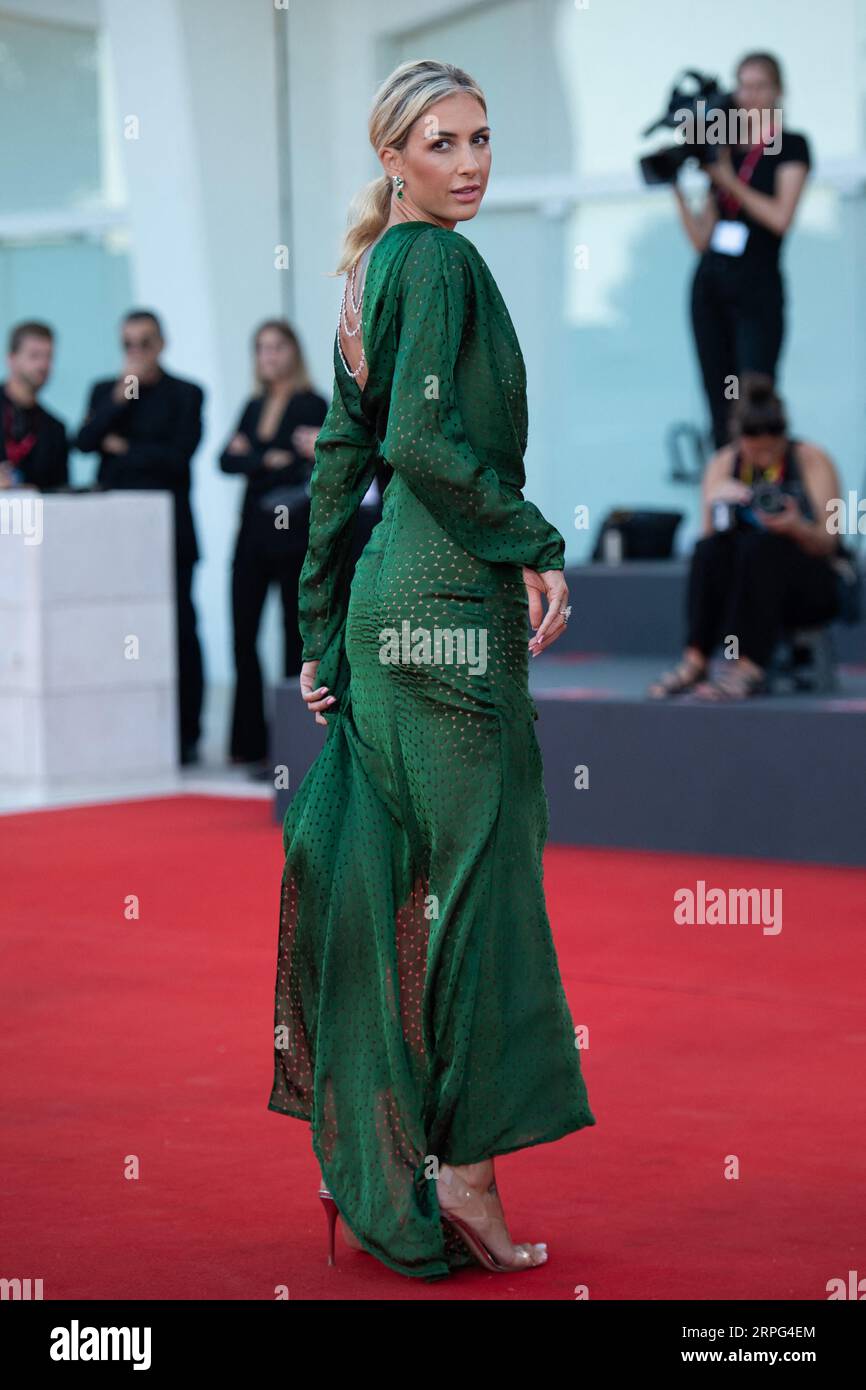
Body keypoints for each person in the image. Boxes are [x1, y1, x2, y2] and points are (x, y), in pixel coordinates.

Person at [267, 58, 595, 1282]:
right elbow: (412, 440)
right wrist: (535, 541)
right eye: (441, 143)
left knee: (406, 884)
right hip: (446, 598)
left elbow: (339, 456)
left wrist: (317, 628)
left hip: (383, 605)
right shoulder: (439, 264)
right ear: (392, 155)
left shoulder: (369, 272)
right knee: (481, 884)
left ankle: (384, 1154)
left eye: (481, 139)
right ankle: (460, 1172)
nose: (469, 163)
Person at [648, 374, 843, 700]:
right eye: (756, 452)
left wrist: (795, 525)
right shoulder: (724, 463)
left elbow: (829, 543)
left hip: (809, 583)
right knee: (708, 549)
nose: (765, 459)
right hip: (744, 584)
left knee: (762, 547)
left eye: (771, 450)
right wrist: (719, 502)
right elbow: (710, 541)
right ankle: (695, 660)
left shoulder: (811, 459)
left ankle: (747, 666)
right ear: (740, 442)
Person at [75, 310, 205, 764]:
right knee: (116, 629)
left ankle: (186, 733)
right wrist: (120, 396)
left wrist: (124, 448)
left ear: (161, 344)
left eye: (144, 343)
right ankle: (120, 731)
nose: (136, 352)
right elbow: (86, 442)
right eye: (128, 344)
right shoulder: (105, 392)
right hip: (115, 537)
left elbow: (177, 458)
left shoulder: (186, 394)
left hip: (170, 533)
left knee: (179, 629)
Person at [674, 52, 811, 448]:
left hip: (756, 288)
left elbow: (780, 218)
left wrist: (727, 179)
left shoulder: (790, 146)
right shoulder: (726, 151)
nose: (748, 95)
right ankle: (725, 497)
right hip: (711, 286)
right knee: (719, 402)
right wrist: (676, 187)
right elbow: (702, 239)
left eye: (758, 86)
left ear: (777, 91)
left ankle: (764, 491)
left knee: (754, 396)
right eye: (743, 85)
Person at [219, 320, 328, 773]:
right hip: (250, 537)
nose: (269, 356)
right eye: (261, 348)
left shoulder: (312, 403)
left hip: (291, 537)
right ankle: (249, 741)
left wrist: (256, 459)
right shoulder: (252, 404)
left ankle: (291, 740)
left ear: (294, 352)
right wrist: (271, 458)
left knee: (291, 638)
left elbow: (313, 468)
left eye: (277, 347)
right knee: (243, 637)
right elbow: (226, 460)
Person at [0, 322, 68, 491]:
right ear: (11, 359)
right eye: (34, 356)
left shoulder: (55, 429)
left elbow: (60, 494)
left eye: (49, 357)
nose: (43, 365)